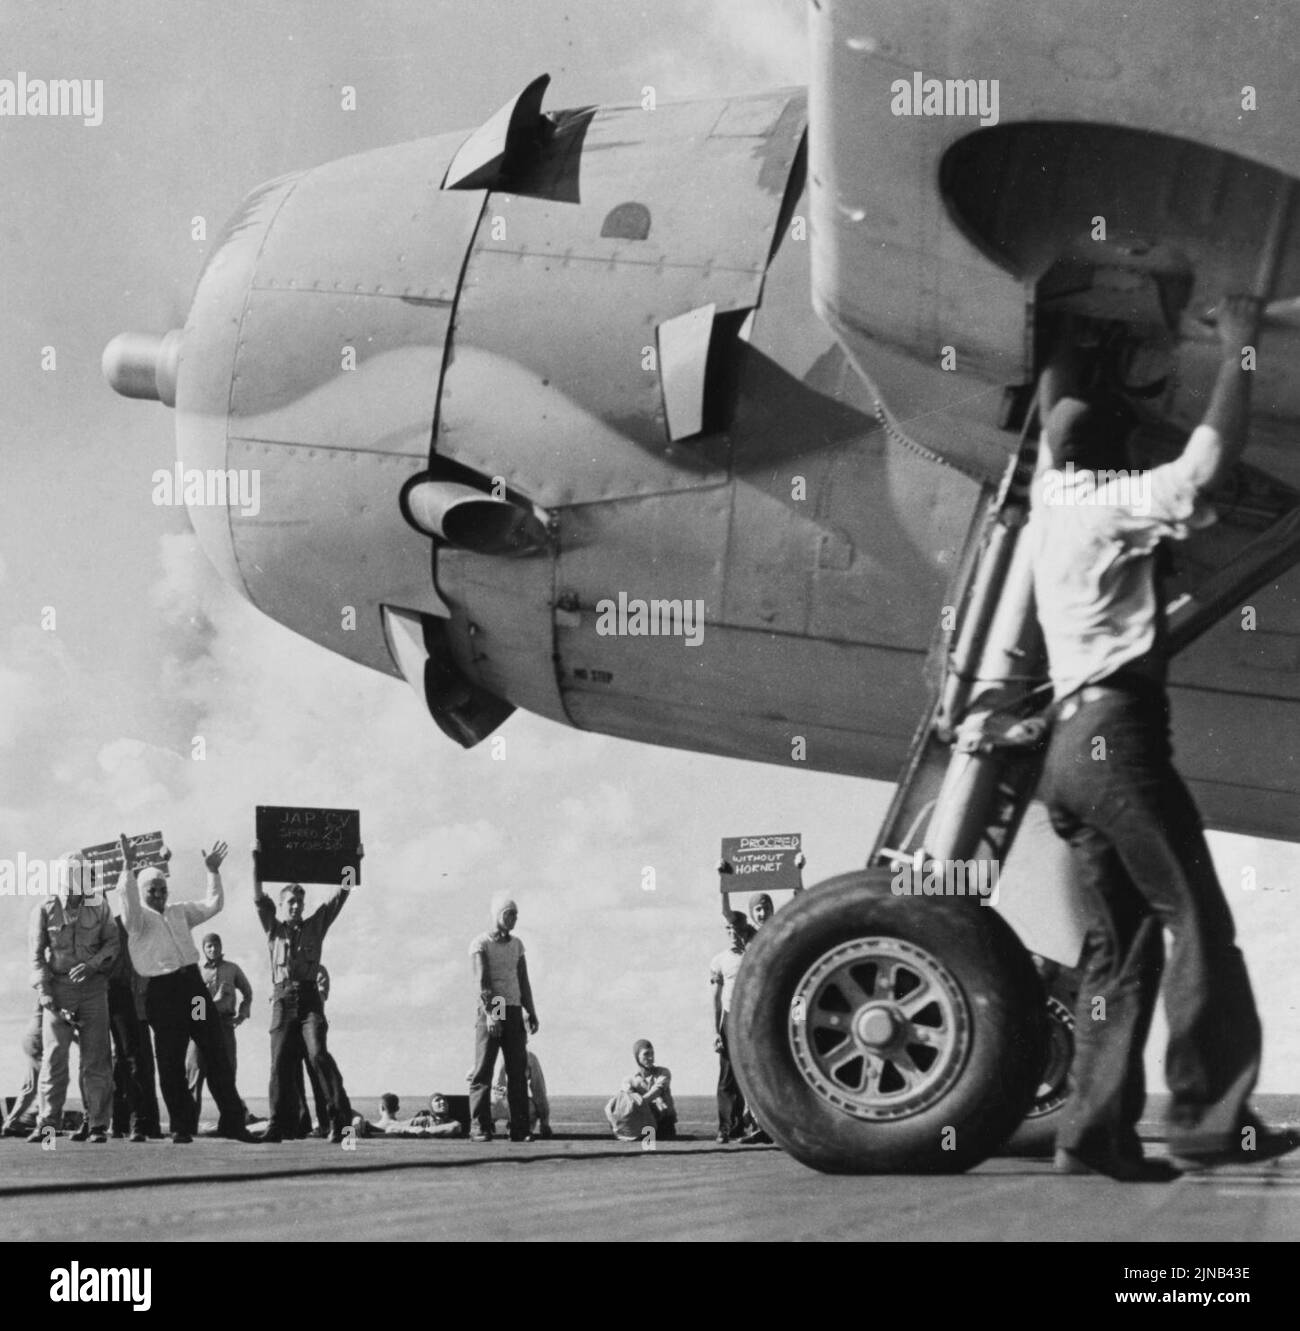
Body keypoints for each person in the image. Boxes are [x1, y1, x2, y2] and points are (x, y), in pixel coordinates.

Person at [1028, 294, 1299, 1179]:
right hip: (1118, 735)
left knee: (1119, 947)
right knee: (1197, 914)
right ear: (1112, 457)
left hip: (1065, 754)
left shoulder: (1048, 504)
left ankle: (1090, 1133)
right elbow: (1199, 472)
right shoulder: (1109, 506)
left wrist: (1065, 347)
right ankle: (1209, 1119)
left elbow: (1056, 421)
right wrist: (1240, 348)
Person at [116, 837, 253, 1143]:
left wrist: (212, 872)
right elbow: (127, 900)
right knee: (170, 1059)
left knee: (214, 1048)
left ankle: (233, 1122)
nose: (159, 894)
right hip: (161, 993)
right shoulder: (136, 921)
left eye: (162, 888)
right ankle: (181, 1125)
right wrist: (127, 865)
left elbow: (213, 904)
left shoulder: (179, 911)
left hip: (192, 990)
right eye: (152, 890)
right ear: (142, 892)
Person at [253, 842, 358, 1143]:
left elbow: (341, 895)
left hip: (311, 998)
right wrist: (255, 858)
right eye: (291, 902)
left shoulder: (316, 925)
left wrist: (353, 862)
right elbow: (258, 897)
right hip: (283, 997)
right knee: (279, 1064)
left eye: (300, 902)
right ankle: (277, 1125)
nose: (296, 906)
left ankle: (341, 1120)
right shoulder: (273, 928)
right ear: (282, 905)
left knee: (318, 1055)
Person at [27, 853, 118, 1144]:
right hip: (58, 989)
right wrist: (45, 992)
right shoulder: (44, 908)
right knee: (55, 1060)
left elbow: (113, 942)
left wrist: (93, 965)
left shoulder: (99, 905)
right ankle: (48, 1127)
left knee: (96, 1059)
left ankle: (97, 1126)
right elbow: (36, 955)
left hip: (93, 989)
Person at [468, 893, 539, 1143]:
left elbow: (523, 980)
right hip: (495, 1005)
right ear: (498, 914)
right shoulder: (481, 943)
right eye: (509, 914)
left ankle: (520, 1128)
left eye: (516, 915)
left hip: (514, 1006)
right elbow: (482, 981)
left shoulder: (517, 945)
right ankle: (480, 1126)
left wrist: (530, 1010)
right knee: (484, 1069)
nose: (513, 919)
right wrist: (491, 1014)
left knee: (517, 1071)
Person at [106, 908, 161, 1141]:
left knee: (142, 1065)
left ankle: (149, 1124)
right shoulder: (111, 926)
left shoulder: (146, 926)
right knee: (120, 1064)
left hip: (142, 1010)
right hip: (118, 1000)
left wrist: (196, 1017)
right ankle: (118, 1123)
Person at [186, 933, 252, 1125]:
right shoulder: (197, 972)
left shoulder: (232, 969)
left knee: (227, 1073)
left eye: (216, 945)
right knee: (194, 1073)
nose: (213, 950)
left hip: (225, 1026)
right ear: (204, 949)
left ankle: (230, 1124)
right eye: (209, 947)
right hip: (201, 1027)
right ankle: (189, 1125)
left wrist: (242, 1014)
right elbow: (195, 1007)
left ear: (221, 946)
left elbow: (248, 993)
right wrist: (213, 1002)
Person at [709, 913, 749, 1144]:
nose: (733, 934)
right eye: (729, 929)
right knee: (727, 1077)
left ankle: (751, 1125)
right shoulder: (719, 960)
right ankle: (726, 1128)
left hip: (752, 1019)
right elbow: (715, 998)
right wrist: (715, 1031)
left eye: (737, 929)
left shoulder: (753, 955)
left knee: (753, 1073)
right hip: (729, 1018)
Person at [604, 1038, 677, 1142]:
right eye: (646, 1054)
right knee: (648, 1153)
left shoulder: (663, 1072)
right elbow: (627, 1102)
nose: (651, 1057)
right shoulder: (629, 1080)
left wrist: (637, 1103)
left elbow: (656, 1091)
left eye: (652, 1053)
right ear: (637, 1057)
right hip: (644, 1126)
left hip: (665, 1125)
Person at [293, 965, 334, 1138]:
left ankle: (325, 1123)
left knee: (317, 1071)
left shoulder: (319, 970)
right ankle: (303, 1122)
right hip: (293, 1024)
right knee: (295, 1074)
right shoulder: (289, 971)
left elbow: (321, 997)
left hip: (312, 1024)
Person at [491, 1037, 551, 1138]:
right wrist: (544, 1123)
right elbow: (538, 1090)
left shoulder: (491, 1054)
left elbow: (470, 1076)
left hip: (491, 1104)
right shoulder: (530, 1057)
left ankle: (485, 1126)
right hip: (516, 1104)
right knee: (532, 1108)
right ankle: (520, 1128)